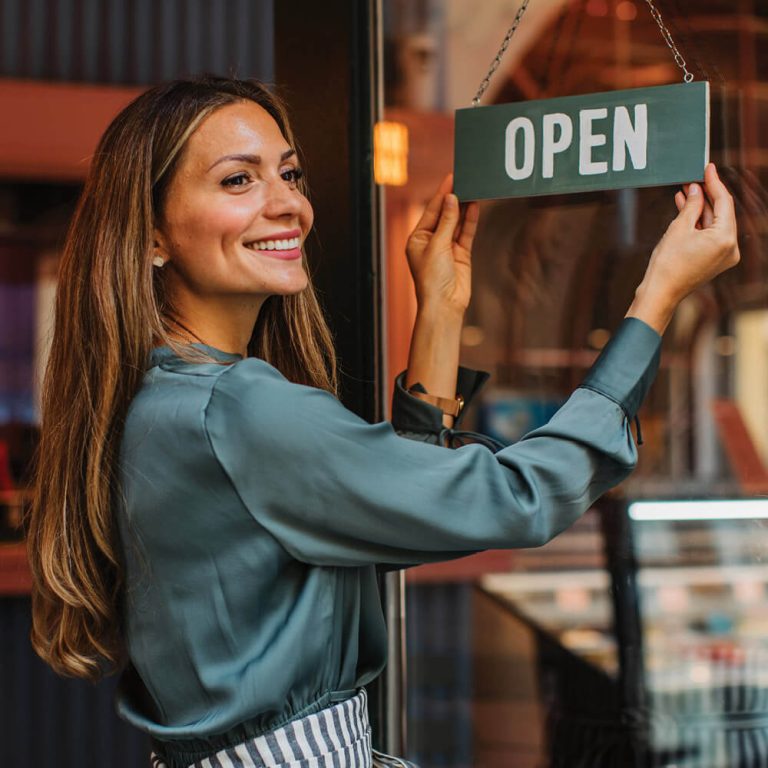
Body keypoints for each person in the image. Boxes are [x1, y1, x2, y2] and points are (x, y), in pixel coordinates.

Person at [25, 75, 739, 768]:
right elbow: (517, 498)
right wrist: (658, 295)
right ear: (152, 236)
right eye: (239, 180)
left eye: (291, 175)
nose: (289, 205)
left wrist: (440, 313)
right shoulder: (237, 408)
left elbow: (390, 512)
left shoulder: (162, 400)